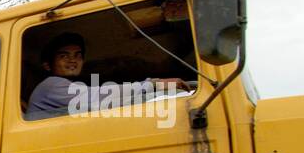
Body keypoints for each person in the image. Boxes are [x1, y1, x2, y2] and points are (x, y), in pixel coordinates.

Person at [26, 32, 191, 119]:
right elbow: (103, 96)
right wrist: (155, 84)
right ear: (47, 65)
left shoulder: (65, 86)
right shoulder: (51, 85)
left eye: (78, 55)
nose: (73, 60)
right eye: (64, 56)